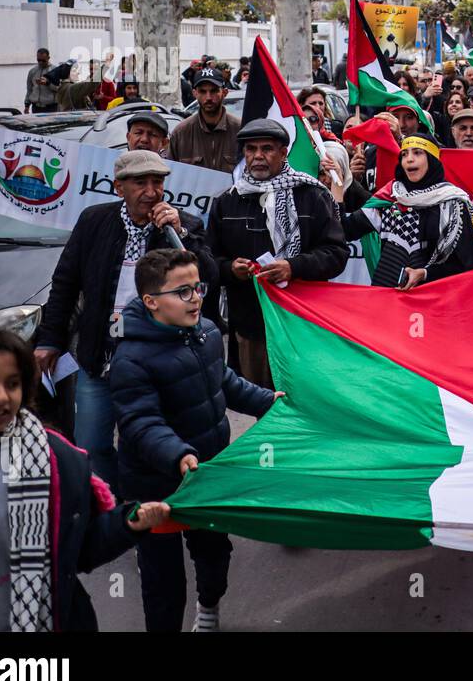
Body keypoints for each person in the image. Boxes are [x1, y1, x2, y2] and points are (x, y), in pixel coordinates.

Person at [0, 327, 169, 632]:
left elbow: (78, 550)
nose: (1, 397)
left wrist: (127, 523)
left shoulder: (58, 460)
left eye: (12, 384)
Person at [109, 248, 277, 632]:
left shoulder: (207, 333)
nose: (196, 298)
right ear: (151, 302)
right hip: (155, 488)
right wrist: (178, 454)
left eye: (198, 287)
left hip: (207, 475)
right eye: (182, 292)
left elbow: (225, 383)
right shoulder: (130, 360)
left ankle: (208, 610)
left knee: (215, 554)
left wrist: (268, 401)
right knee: (163, 582)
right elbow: (141, 423)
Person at [34, 150, 216, 488]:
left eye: (157, 182)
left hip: (159, 361)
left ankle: (156, 507)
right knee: (92, 444)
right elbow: (66, 283)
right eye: (140, 183)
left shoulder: (183, 226)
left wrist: (181, 236)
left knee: (154, 445)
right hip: (100, 357)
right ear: (119, 188)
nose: (151, 191)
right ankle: (109, 509)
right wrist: (50, 339)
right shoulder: (94, 221)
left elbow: (208, 279)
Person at [205, 119, 348, 388]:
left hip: (304, 323)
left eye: (267, 149)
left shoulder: (312, 196)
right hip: (252, 326)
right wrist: (230, 270)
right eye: (251, 149)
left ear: (284, 153)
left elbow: (336, 253)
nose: (258, 156)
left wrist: (293, 267)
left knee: (307, 402)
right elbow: (209, 261)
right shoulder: (228, 201)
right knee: (264, 406)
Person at [342, 133, 473, 289]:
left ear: (432, 159)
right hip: (387, 299)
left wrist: (425, 273)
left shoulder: (452, 204)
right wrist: (338, 184)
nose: (409, 159)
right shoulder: (389, 198)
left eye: (417, 153)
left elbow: (469, 264)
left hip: (434, 300)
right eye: (404, 154)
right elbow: (345, 230)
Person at [169, 67, 241, 173]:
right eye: (203, 91)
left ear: (224, 92)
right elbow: (171, 176)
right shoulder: (181, 133)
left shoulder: (240, 131)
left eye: (214, 91)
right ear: (195, 93)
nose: (208, 97)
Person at [24, 48, 57, 113]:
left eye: (43, 60)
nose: (40, 62)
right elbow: (29, 89)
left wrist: (48, 83)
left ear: (48, 58)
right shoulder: (32, 71)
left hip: (51, 107)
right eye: (38, 60)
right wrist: (27, 105)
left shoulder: (55, 71)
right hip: (36, 108)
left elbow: (59, 89)